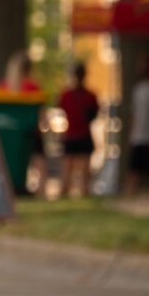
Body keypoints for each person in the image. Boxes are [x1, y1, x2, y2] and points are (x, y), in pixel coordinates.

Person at [57, 61, 100, 197]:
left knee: (68, 171)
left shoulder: (67, 95)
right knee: (84, 173)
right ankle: (81, 194)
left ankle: (67, 194)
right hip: (82, 135)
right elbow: (93, 116)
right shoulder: (89, 96)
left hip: (73, 136)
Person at [125, 51, 149, 193]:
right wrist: (131, 133)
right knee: (133, 170)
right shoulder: (138, 89)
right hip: (138, 136)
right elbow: (134, 114)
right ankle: (129, 197)